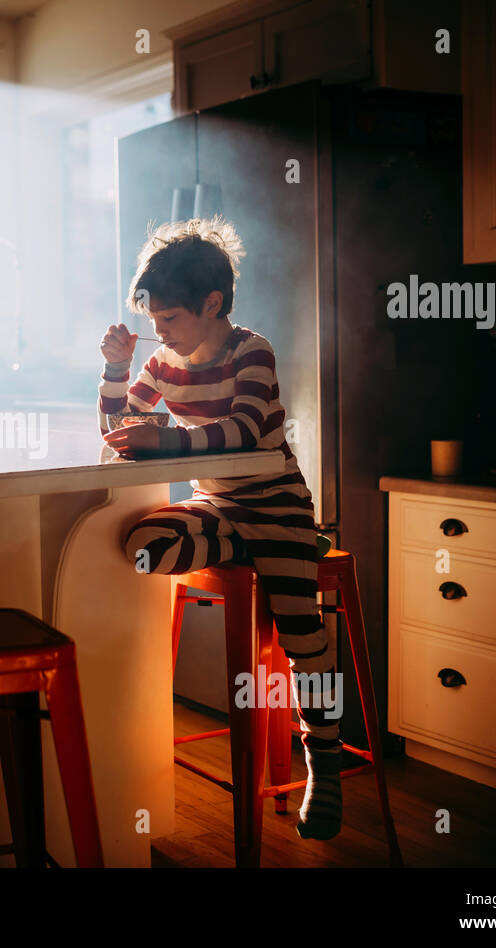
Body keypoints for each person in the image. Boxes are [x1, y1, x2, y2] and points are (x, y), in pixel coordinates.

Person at [99, 216, 342, 840]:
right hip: (220, 509)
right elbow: (116, 432)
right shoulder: (162, 363)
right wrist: (118, 371)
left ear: (212, 304)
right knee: (142, 544)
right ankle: (236, 550)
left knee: (301, 630)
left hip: (278, 506)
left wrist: (166, 439)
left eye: (170, 320)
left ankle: (325, 756)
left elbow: (240, 430)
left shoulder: (250, 351)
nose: (161, 333)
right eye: (154, 322)